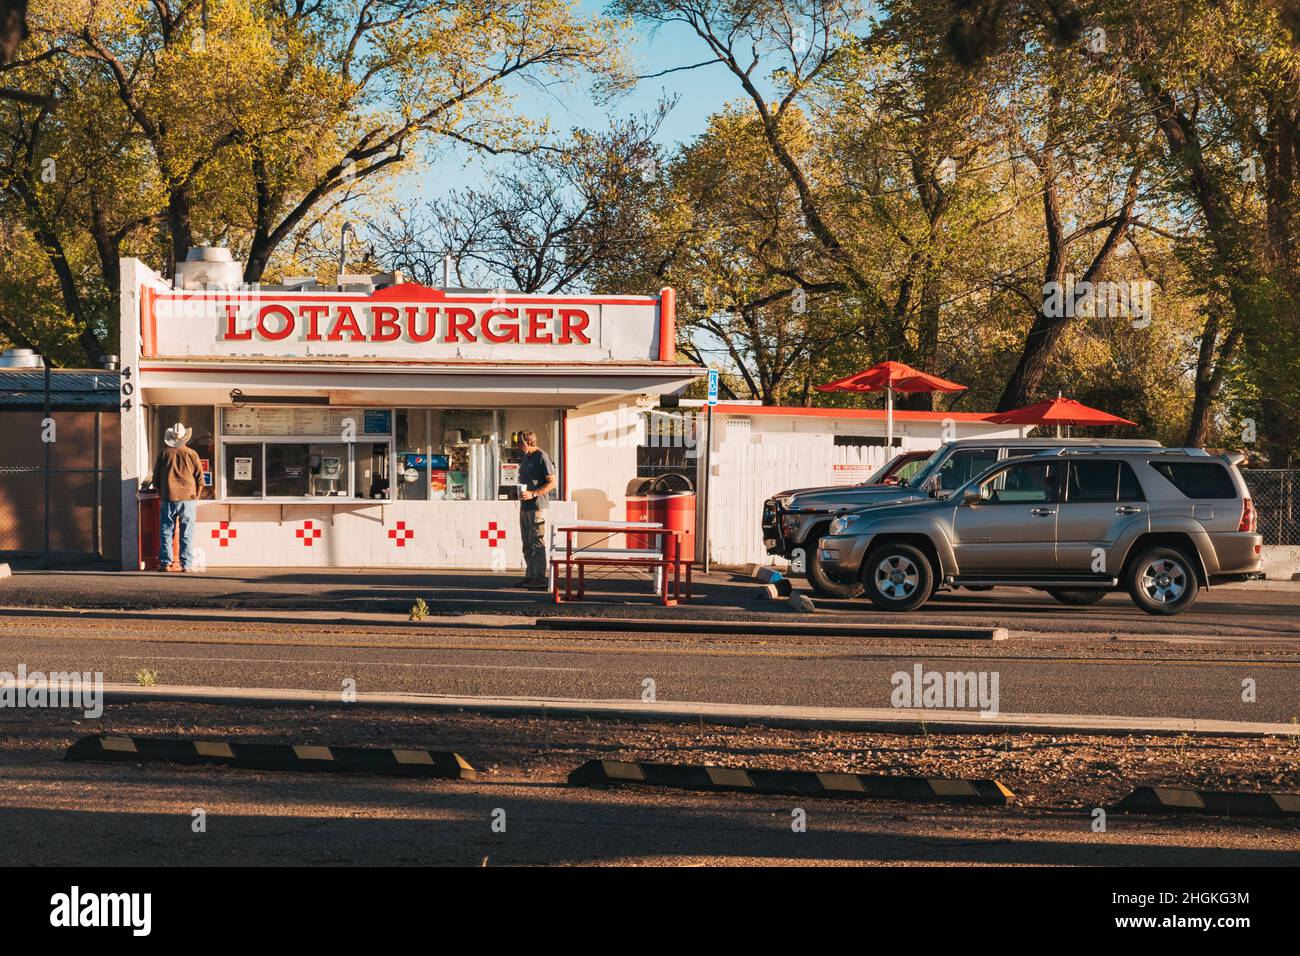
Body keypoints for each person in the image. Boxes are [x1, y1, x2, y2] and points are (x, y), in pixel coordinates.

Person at [153, 421, 204, 572]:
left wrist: (161, 493)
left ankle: (165, 563)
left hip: (167, 497)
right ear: (185, 438)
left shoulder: (163, 454)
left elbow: (155, 479)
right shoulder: (192, 454)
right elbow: (200, 480)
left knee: (166, 532)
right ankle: (186, 565)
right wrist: (196, 498)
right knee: (186, 533)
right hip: (188, 498)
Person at [515, 430, 556, 590]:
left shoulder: (542, 457)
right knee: (526, 542)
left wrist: (533, 493)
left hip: (537, 505)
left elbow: (552, 482)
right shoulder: (525, 458)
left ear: (530, 441)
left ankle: (539, 577)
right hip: (525, 506)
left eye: (521, 443)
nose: (519, 446)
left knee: (537, 541)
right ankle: (530, 575)